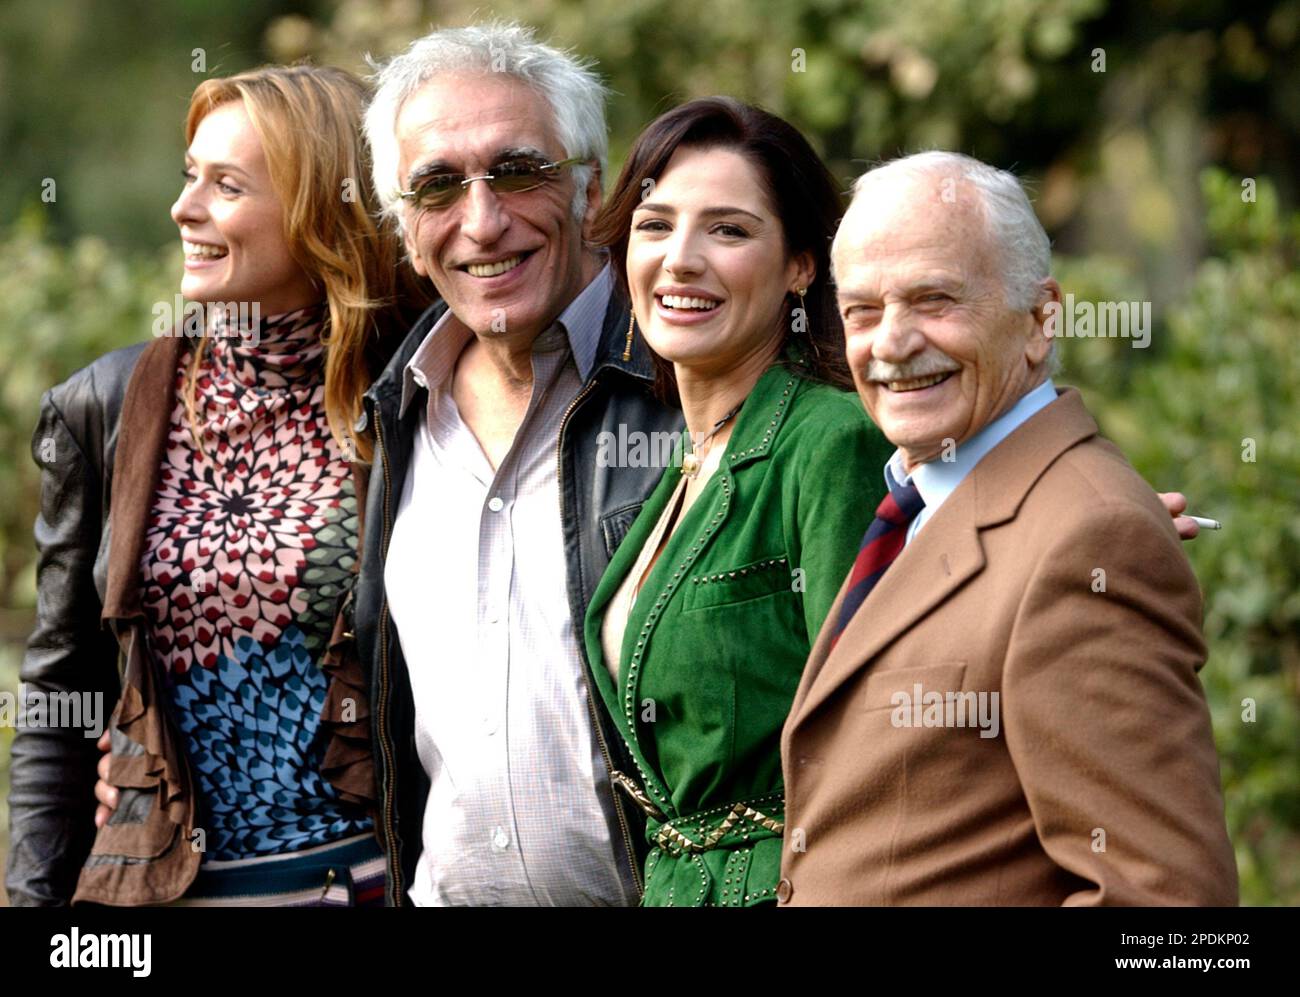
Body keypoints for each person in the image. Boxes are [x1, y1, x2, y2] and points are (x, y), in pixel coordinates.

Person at [5, 64, 423, 906]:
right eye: (189, 176)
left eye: (225, 186)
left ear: (319, 210)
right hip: (152, 895)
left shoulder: (420, 390)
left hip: (368, 884)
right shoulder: (108, 405)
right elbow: (63, 686)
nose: (184, 208)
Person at [777, 152, 1238, 906]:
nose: (890, 342)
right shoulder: (924, 502)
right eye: (862, 309)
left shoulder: (1090, 541)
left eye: (933, 300)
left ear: (1040, 317)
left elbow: (1171, 913)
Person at [356, 22, 681, 905]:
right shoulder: (392, 413)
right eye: (436, 187)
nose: (483, 220)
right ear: (403, 225)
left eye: (518, 170)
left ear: (592, 186)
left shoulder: (690, 379)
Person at [580, 97, 891, 906]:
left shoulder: (833, 442)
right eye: (655, 225)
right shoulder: (683, 466)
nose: (680, 259)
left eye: (728, 229)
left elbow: (872, 749)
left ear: (800, 265)